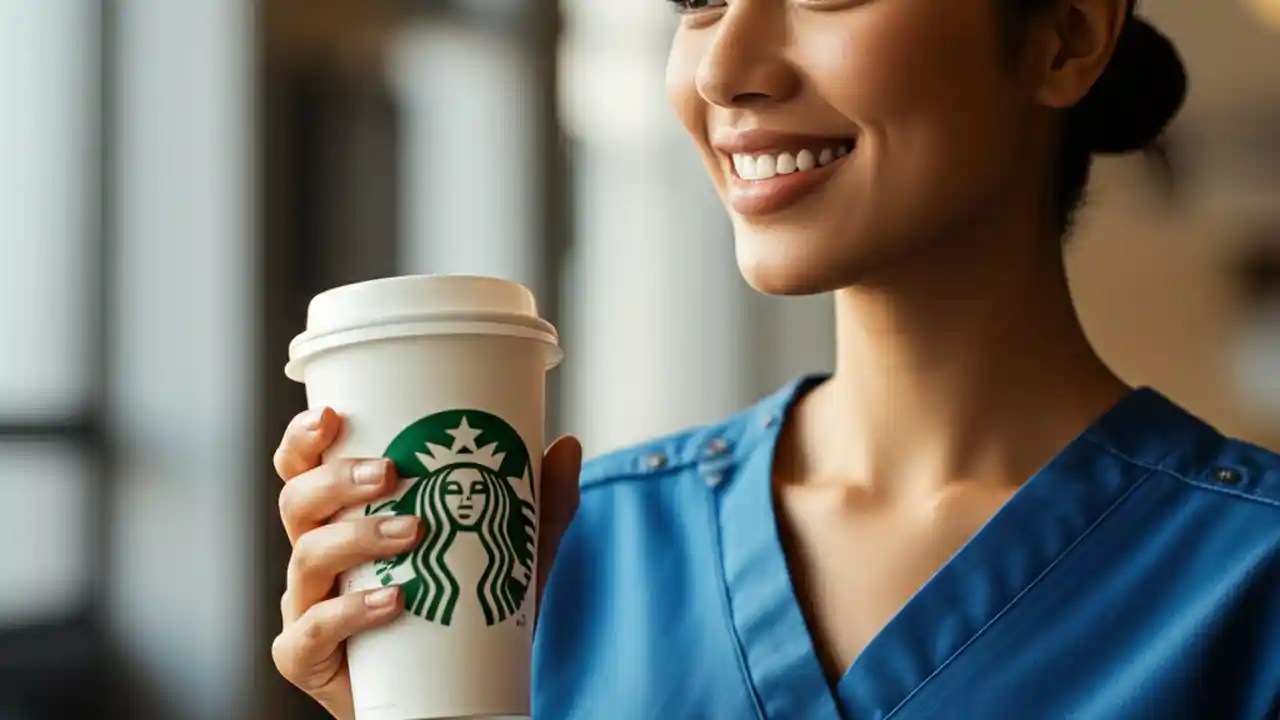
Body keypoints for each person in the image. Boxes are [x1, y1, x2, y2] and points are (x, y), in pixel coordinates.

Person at [269, 0, 1280, 717]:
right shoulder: (551, 565)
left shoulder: (1247, 584)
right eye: (698, 0)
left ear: (1062, 35)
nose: (722, 69)